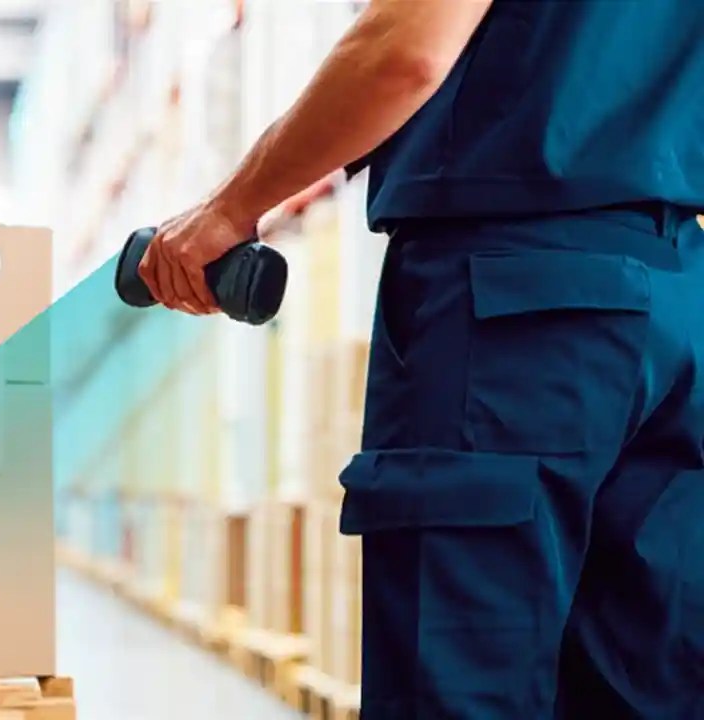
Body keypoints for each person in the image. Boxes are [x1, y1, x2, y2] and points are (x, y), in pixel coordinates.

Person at [140, 1, 704, 717]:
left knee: (461, 678)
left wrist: (231, 206)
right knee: (647, 682)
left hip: (511, 301)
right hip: (677, 301)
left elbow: (404, 53)